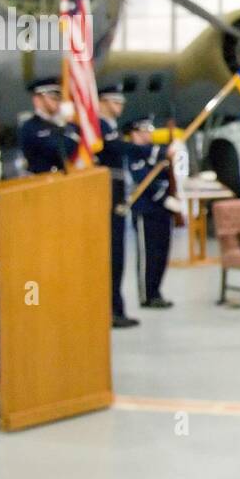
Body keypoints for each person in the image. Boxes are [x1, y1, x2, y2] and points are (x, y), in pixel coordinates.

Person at [124, 119, 180, 311]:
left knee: (162, 253)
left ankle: (156, 291)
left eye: (150, 130)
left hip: (163, 210)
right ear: (134, 133)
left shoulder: (156, 151)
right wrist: (163, 198)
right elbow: (143, 180)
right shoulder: (132, 153)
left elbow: (167, 174)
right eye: (145, 130)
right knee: (148, 254)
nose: (149, 134)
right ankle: (146, 295)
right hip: (145, 209)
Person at [97, 84, 138, 329]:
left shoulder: (111, 128)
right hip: (105, 191)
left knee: (118, 255)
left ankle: (117, 306)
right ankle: (110, 308)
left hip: (117, 190)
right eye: (114, 101)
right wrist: (153, 149)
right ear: (102, 102)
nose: (120, 107)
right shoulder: (99, 128)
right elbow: (116, 148)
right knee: (110, 254)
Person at [18, 77, 80, 174]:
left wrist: (65, 125)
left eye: (58, 98)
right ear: (37, 100)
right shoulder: (30, 127)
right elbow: (55, 151)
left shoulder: (67, 125)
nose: (57, 102)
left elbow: (74, 149)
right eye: (53, 98)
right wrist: (63, 127)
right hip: (41, 182)